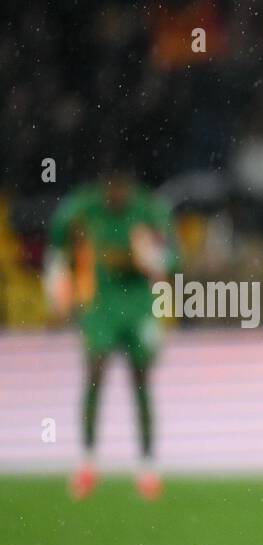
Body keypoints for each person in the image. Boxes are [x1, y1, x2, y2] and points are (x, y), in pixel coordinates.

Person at [46, 163, 176, 500]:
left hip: (138, 306)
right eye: (111, 186)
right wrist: (58, 286)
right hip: (101, 306)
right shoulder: (82, 209)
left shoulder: (148, 209)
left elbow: (174, 257)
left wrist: (154, 258)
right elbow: (58, 246)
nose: (117, 193)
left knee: (141, 379)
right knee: (95, 373)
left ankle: (147, 467)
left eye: (122, 186)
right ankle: (88, 462)